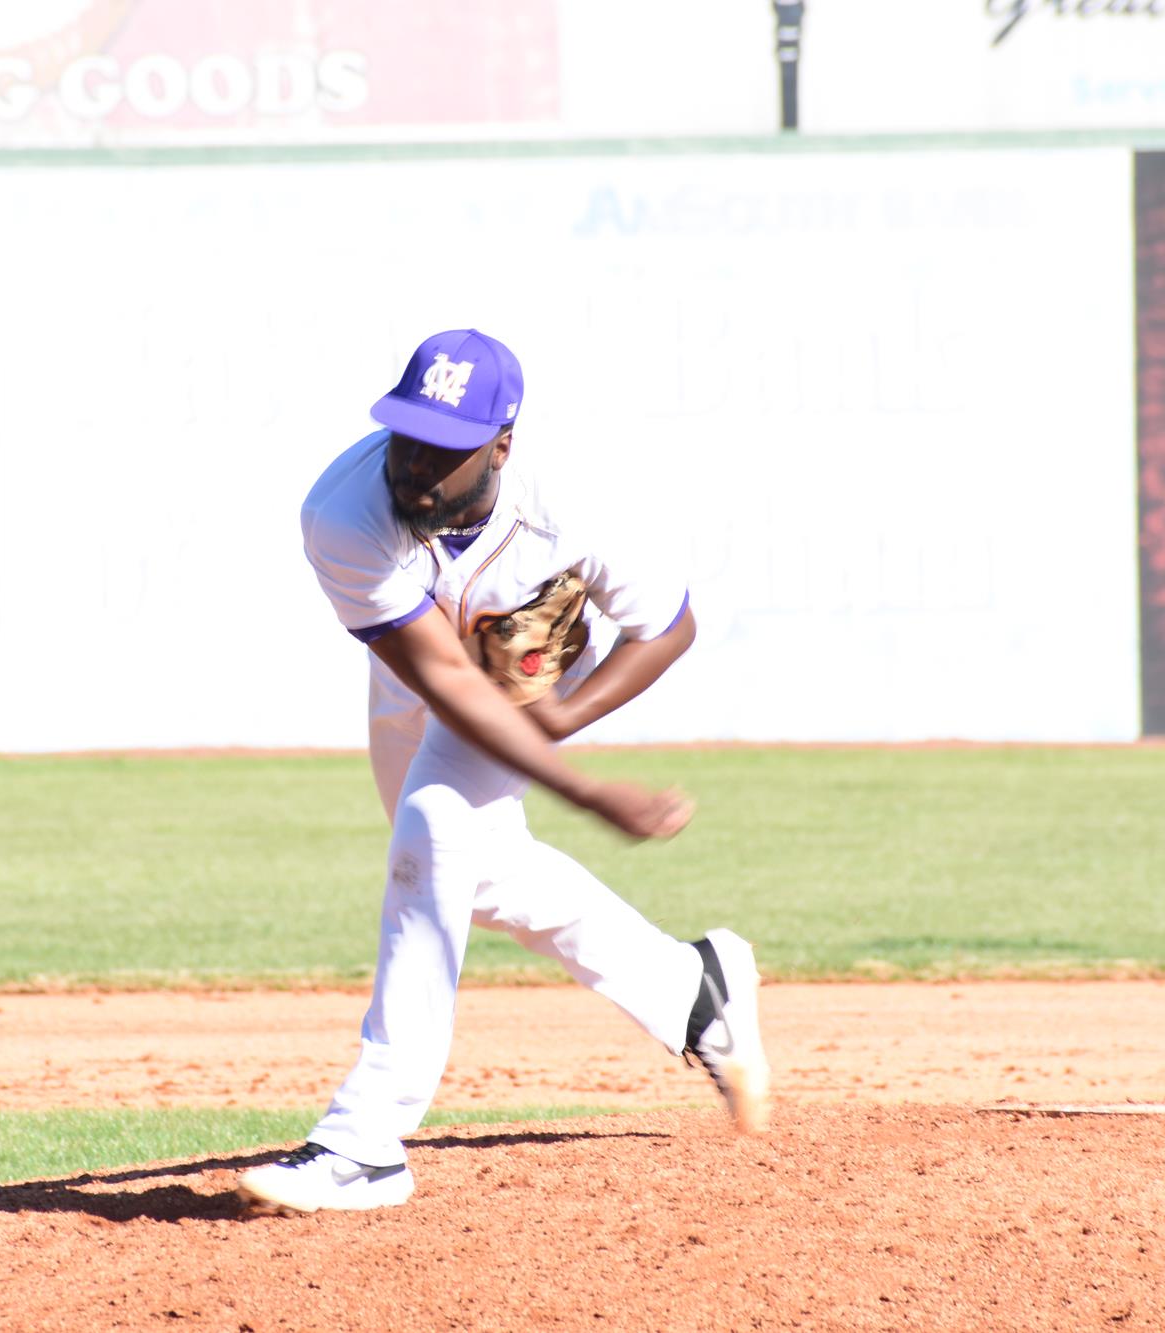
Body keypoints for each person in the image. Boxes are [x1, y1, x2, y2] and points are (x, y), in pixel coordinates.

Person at [237, 328, 770, 1216]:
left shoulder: (576, 505)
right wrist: (585, 789)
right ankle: (693, 990)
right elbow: (445, 681)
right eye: (408, 436)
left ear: (502, 445)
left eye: (444, 449)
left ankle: (365, 1144)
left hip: (519, 684)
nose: (416, 466)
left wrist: (563, 716)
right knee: (470, 873)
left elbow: (667, 626)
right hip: (415, 674)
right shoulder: (343, 511)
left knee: (435, 831)